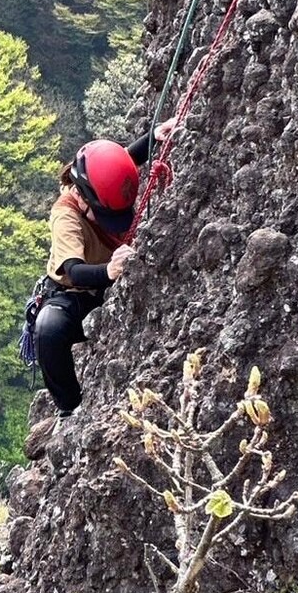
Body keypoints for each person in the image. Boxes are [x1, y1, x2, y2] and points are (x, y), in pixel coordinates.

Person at [29, 121, 174, 444]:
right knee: (48, 329)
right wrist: (109, 270)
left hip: (110, 278)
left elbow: (116, 168)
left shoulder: (95, 185)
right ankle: (68, 409)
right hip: (75, 292)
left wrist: (154, 138)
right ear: (82, 198)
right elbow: (74, 269)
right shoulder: (65, 215)